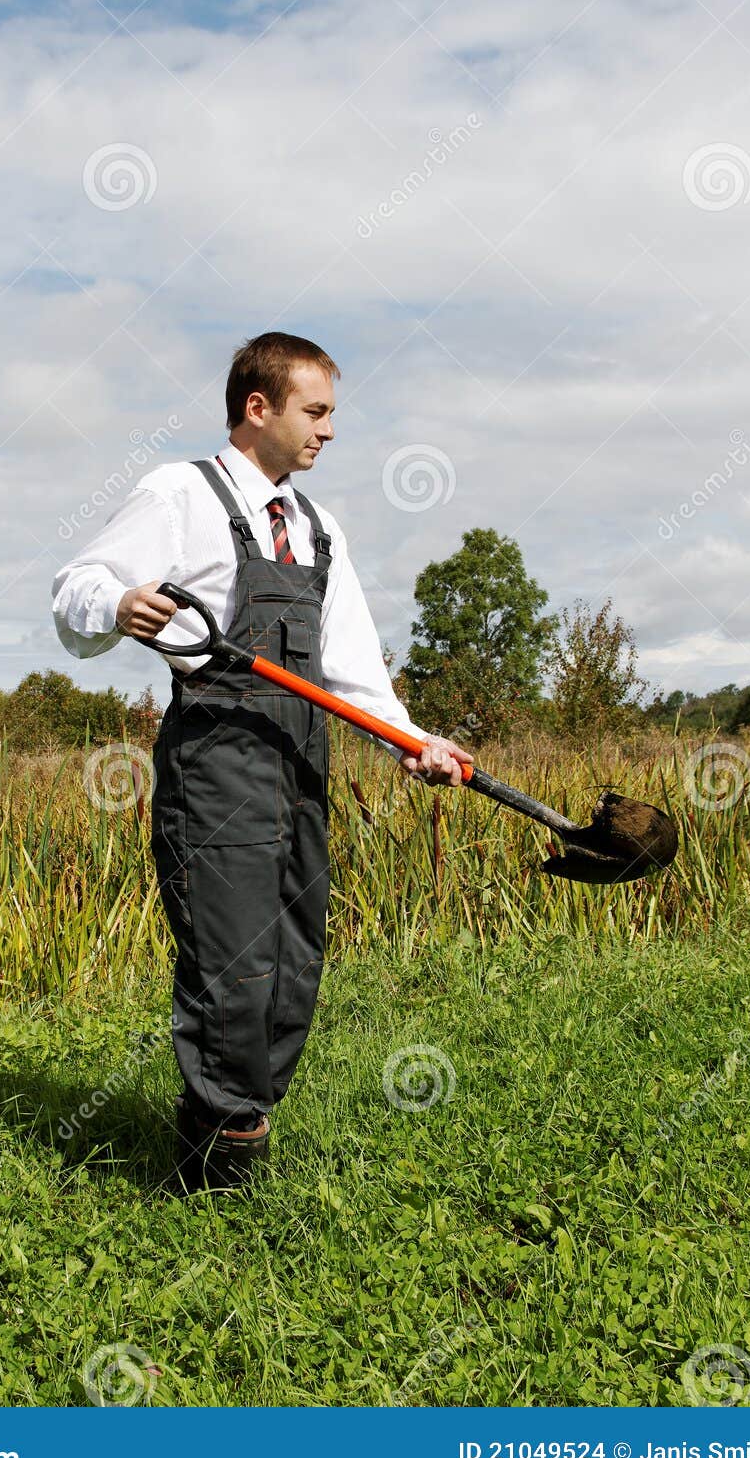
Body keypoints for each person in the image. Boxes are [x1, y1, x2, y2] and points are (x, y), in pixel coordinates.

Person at [51, 332, 472, 1192]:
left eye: (329, 414)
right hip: (219, 756)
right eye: (315, 412)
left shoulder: (316, 527)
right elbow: (76, 585)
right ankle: (216, 1161)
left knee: (293, 960)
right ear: (257, 407)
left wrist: (410, 741)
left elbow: (350, 665)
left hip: (301, 756)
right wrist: (119, 601)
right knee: (232, 963)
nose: (328, 431)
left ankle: (237, 1120)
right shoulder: (181, 493)